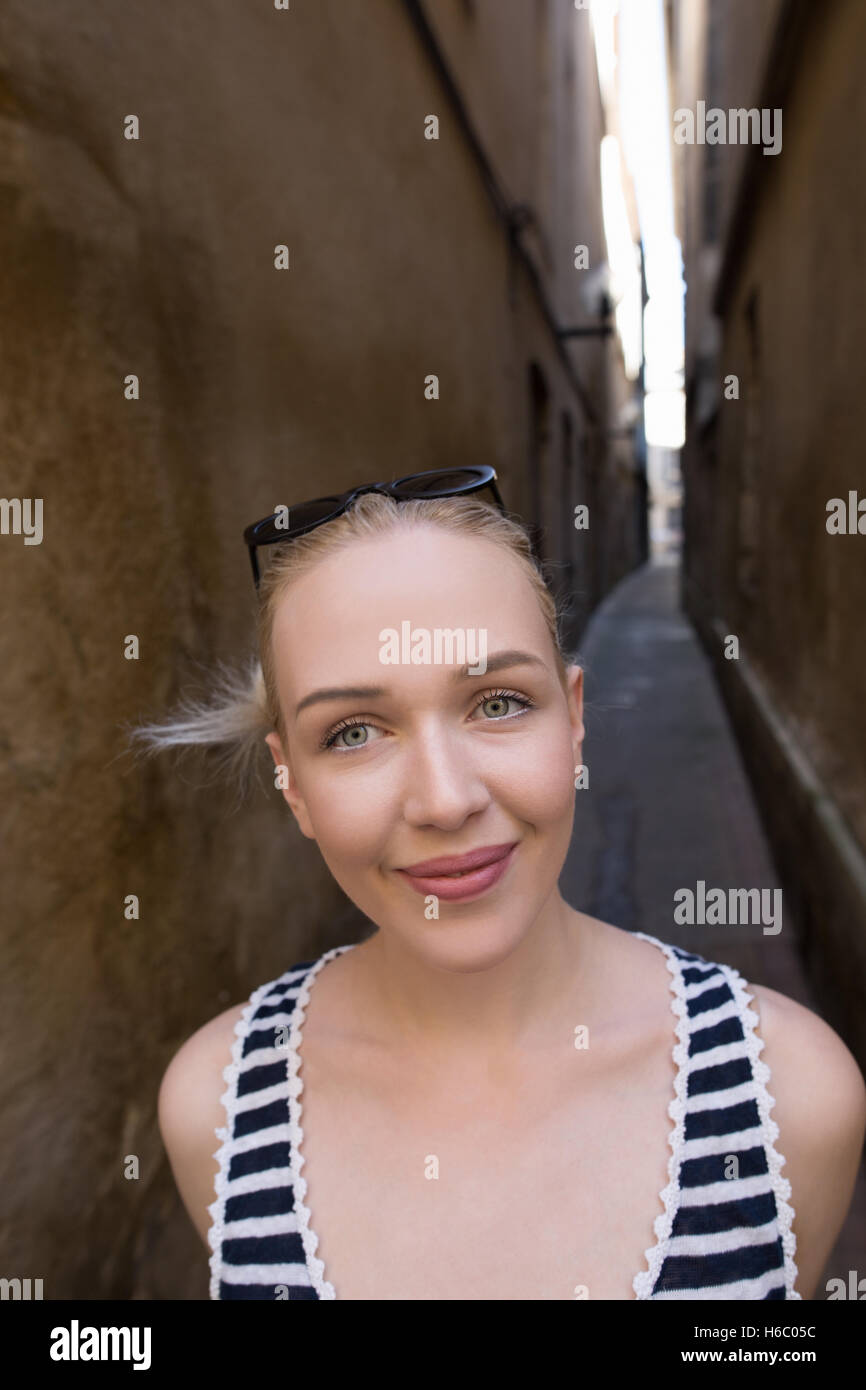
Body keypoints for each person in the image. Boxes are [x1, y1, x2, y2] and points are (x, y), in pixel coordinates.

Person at [138, 472, 866, 1300]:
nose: (446, 800)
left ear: (575, 717)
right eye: (352, 733)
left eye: (498, 703)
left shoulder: (795, 1101)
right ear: (292, 782)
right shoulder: (217, 1110)